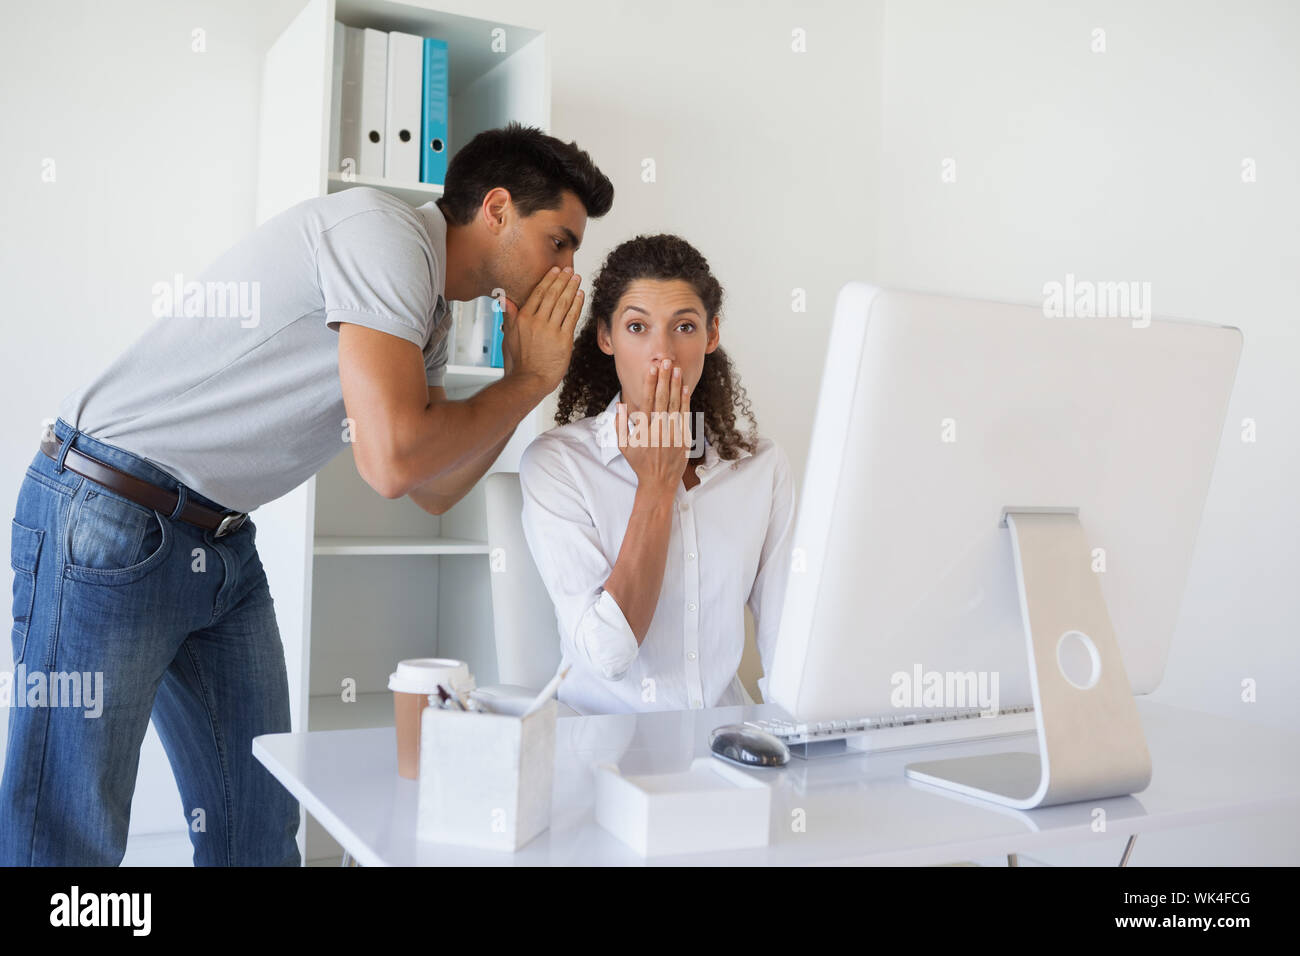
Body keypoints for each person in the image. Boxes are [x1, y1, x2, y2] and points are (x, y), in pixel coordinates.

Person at [1, 123, 613, 865]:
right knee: (65, 833)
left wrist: (530, 387)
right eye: (562, 240)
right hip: (109, 513)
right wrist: (526, 381)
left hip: (217, 541)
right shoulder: (383, 237)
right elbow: (390, 461)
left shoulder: (432, 314)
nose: (569, 269)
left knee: (256, 829)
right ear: (497, 208)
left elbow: (431, 491)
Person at [519, 234, 795, 715]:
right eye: (637, 327)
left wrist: (797, 747)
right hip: (603, 754)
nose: (662, 353)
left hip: (721, 748)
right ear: (606, 337)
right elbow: (609, 654)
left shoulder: (761, 467)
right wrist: (657, 485)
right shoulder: (558, 464)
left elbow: (787, 638)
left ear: (711, 335)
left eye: (684, 327)